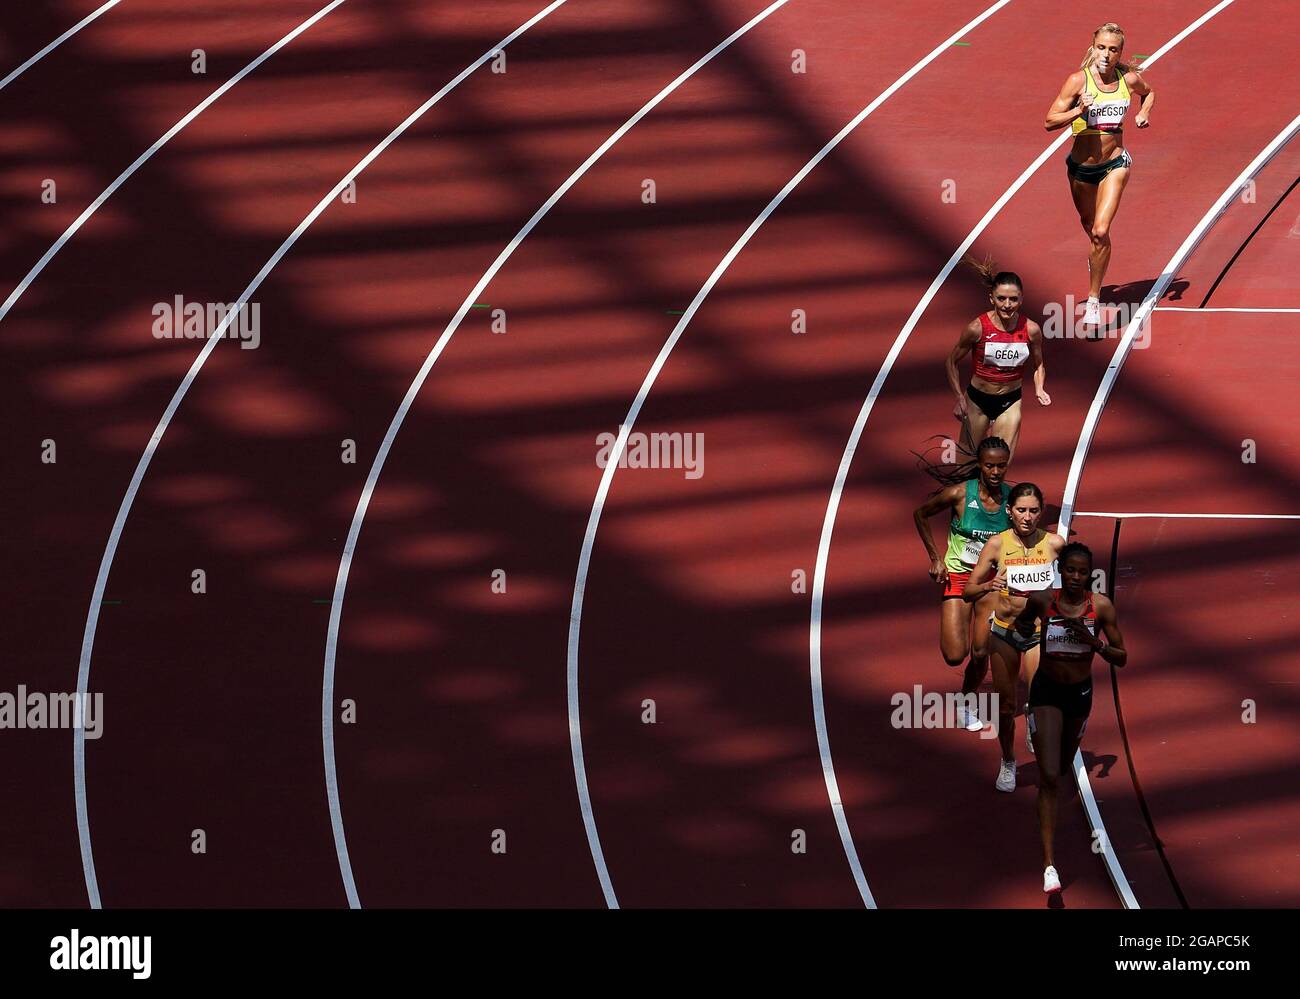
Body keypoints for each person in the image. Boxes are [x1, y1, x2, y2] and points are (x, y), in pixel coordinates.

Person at [1013, 543, 1127, 893]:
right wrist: (1024, 641)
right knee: (1048, 775)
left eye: (1083, 571)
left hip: (1079, 696)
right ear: (1060, 570)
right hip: (1046, 691)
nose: (1076, 577)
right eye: (1070, 570)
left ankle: (1054, 785)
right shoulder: (1042, 600)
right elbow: (1020, 627)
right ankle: (1050, 865)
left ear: (1089, 574)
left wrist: (1095, 645)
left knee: (1062, 769)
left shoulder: (1101, 607)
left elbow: (1121, 657)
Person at [1045, 22, 1154, 327]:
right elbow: (1050, 121)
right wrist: (1078, 111)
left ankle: (1093, 300)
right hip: (1081, 168)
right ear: (1093, 48)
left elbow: (1149, 93)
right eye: (1102, 47)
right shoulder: (1077, 81)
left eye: (1113, 49)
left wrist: (1143, 112)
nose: (1106, 54)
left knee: (1100, 231)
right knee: (1089, 225)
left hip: (1115, 165)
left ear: (1121, 52)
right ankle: (1097, 256)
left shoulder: (1128, 79)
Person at [962, 483, 1064, 791]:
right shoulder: (996, 544)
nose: (1028, 517)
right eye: (1021, 510)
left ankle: (1034, 727)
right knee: (1007, 708)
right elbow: (969, 590)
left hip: (1035, 633)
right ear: (1010, 511)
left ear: (1040, 512)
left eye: (1034, 511)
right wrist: (990, 586)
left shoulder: (1055, 543)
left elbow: (1078, 579)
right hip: (1003, 633)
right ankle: (1008, 761)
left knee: (1038, 698)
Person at [911, 437, 1012, 729]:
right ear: (980, 465)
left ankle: (964, 702)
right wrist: (935, 557)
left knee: (980, 653)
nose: (995, 472)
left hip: (992, 582)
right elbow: (920, 514)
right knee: (956, 656)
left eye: (1001, 466)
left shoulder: (1011, 501)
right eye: (990, 465)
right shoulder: (958, 495)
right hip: (958, 576)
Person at [945, 258, 1048, 457]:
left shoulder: (1031, 330)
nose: (1007, 305)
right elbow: (951, 362)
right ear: (992, 298)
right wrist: (959, 397)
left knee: (999, 465)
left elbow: (1039, 364)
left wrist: (1039, 388)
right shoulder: (977, 328)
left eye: (1013, 299)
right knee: (966, 466)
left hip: (1010, 401)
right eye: (1001, 299)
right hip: (978, 401)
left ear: (1021, 299)